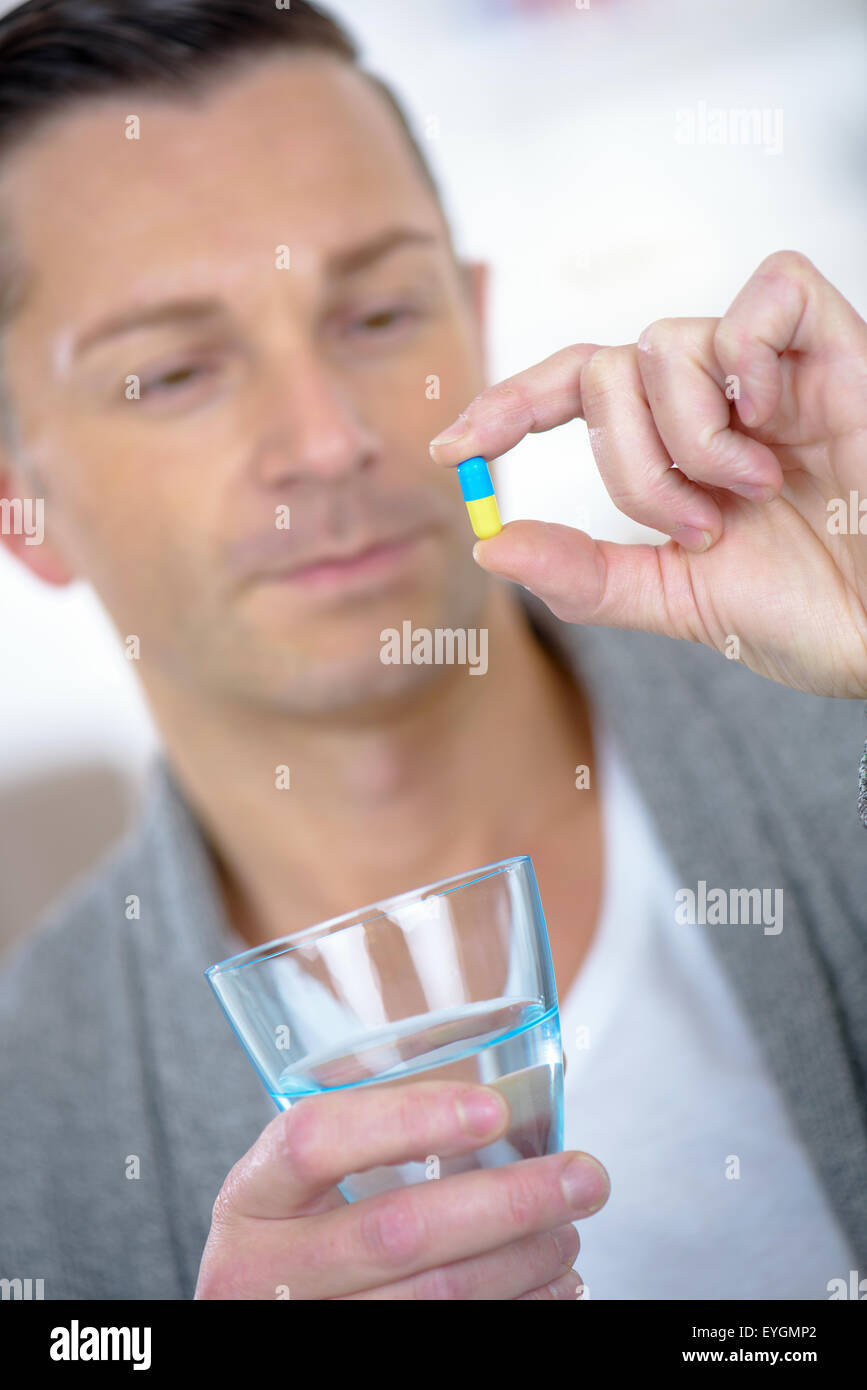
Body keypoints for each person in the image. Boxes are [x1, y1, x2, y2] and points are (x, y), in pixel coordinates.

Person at [0, 0, 865, 1302]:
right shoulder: (32, 1129)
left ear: (474, 322)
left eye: (381, 314)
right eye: (172, 372)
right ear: (24, 504)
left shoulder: (840, 715)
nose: (328, 435)